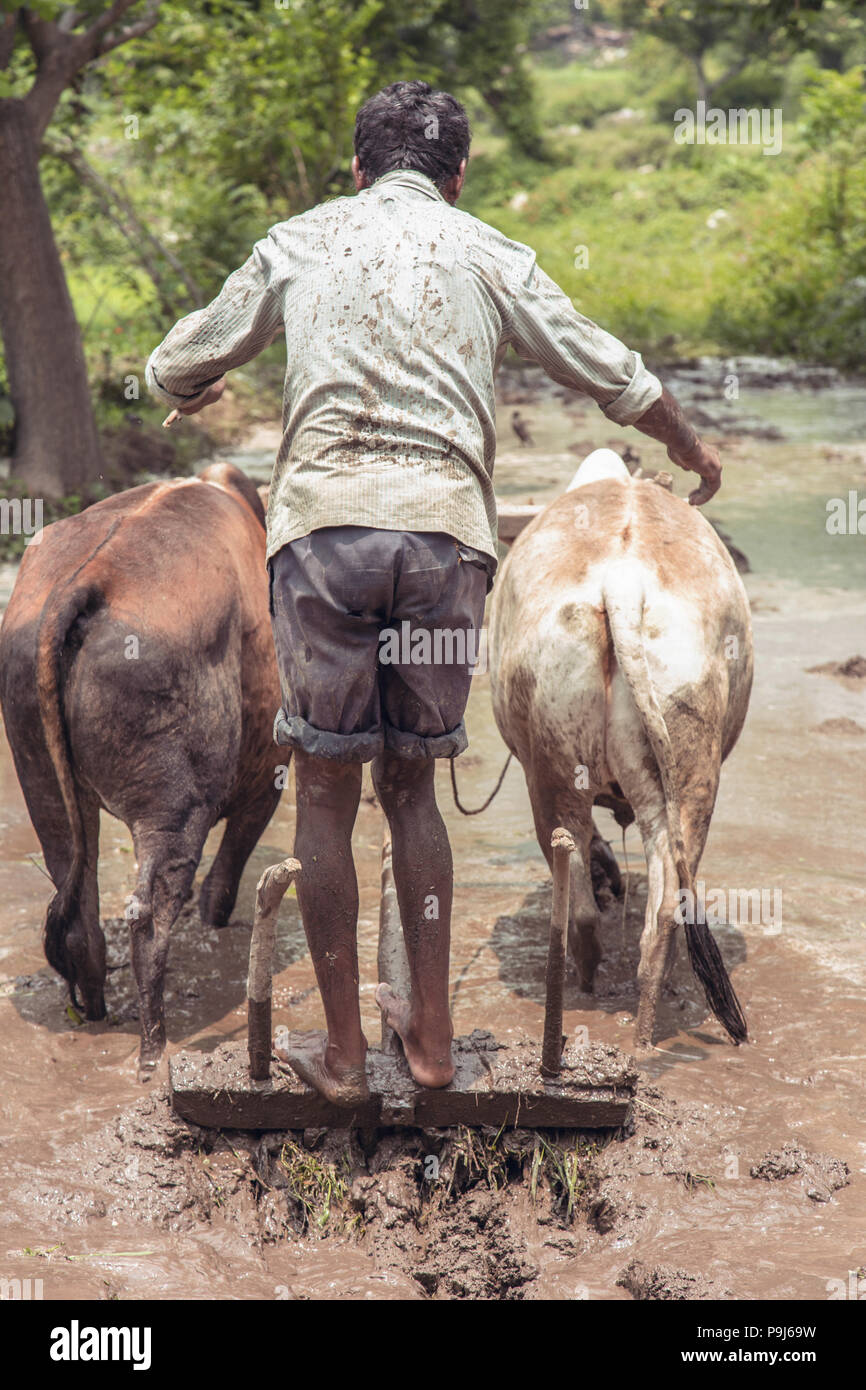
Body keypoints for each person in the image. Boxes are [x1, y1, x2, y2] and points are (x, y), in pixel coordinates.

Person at [145, 80, 722, 1105]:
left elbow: (172, 363)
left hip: (324, 543)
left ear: (358, 170)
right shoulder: (492, 254)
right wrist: (684, 446)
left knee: (322, 791)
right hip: (446, 552)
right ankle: (431, 1050)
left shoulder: (299, 241)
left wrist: (190, 386)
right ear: (458, 177)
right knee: (410, 785)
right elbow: (611, 372)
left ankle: (338, 1056)